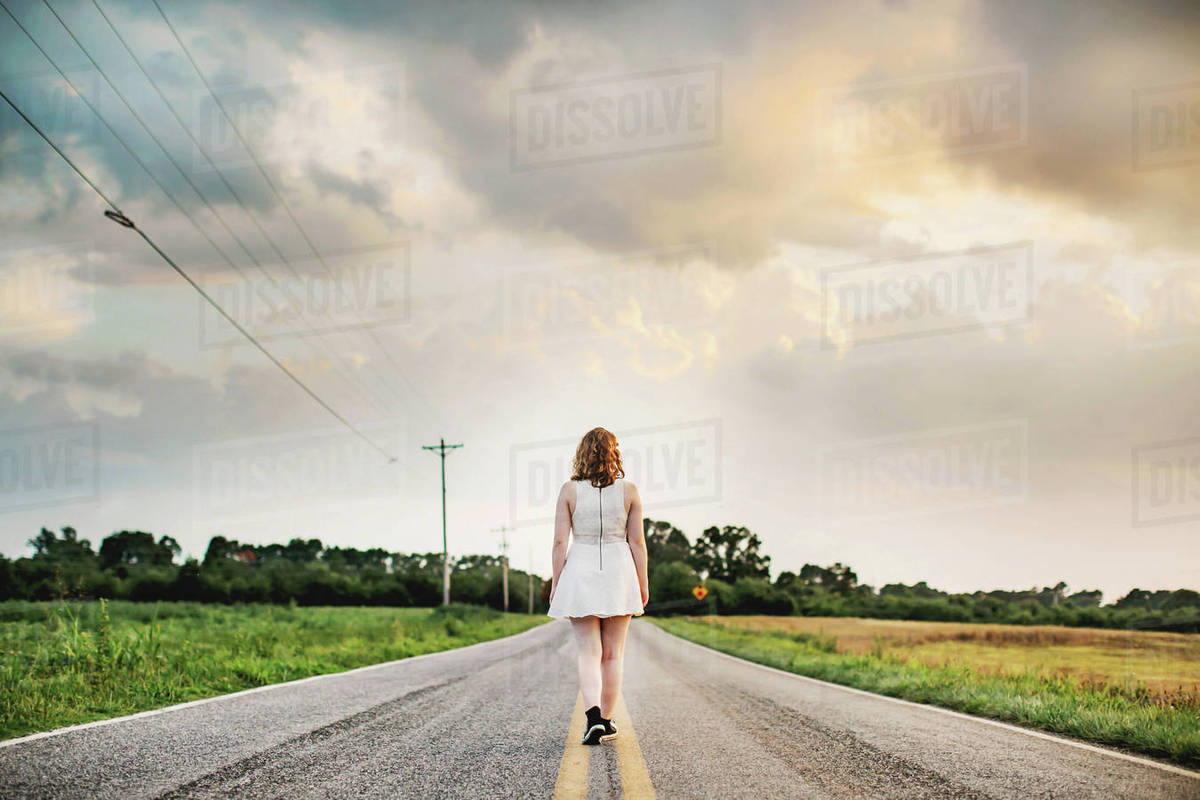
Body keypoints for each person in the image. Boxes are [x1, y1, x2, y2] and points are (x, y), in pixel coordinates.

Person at [547, 427, 650, 745]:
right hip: (620, 571)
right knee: (613, 654)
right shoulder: (630, 491)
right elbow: (637, 542)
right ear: (613, 453)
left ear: (582, 453)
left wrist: (556, 583)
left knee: (588, 652)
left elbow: (560, 542)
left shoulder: (569, 490)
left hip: (580, 570)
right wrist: (643, 583)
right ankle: (605, 720)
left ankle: (593, 717)